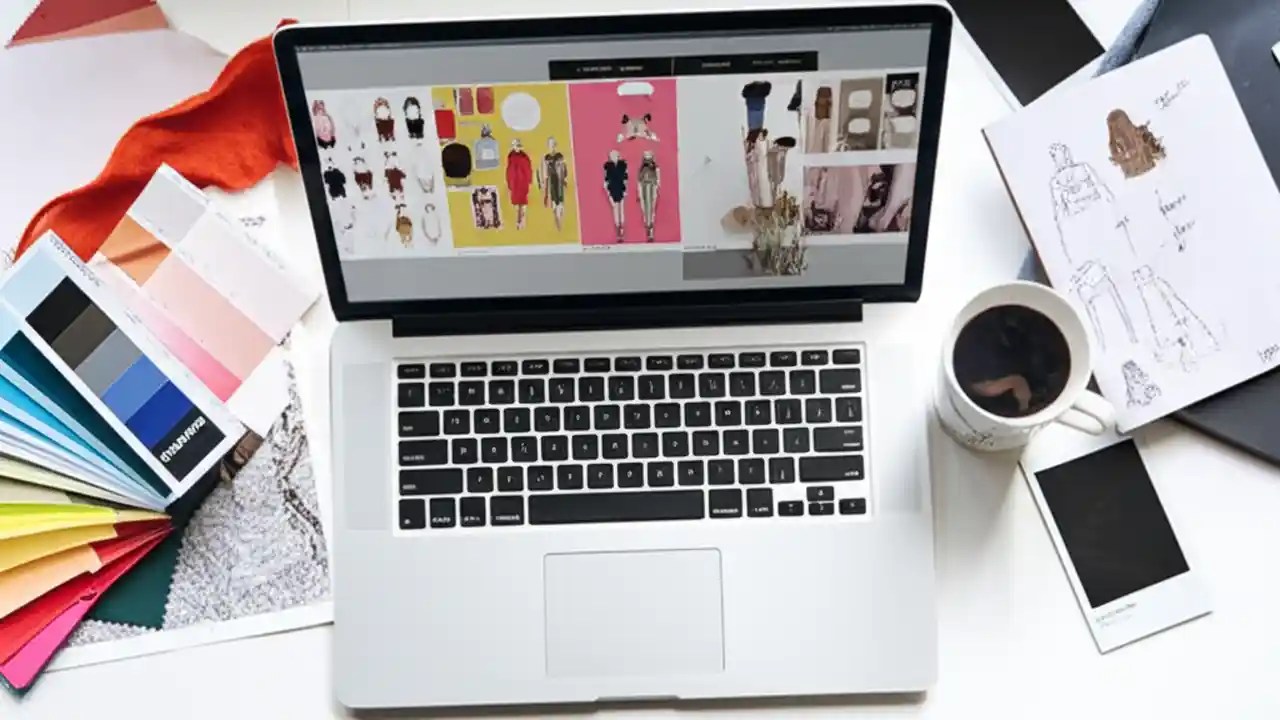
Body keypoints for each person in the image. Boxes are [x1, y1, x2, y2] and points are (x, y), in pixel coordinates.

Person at [538, 137, 570, 230]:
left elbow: (564, 169)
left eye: (553, 144)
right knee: (555, 205)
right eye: (550, 144)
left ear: (555, 145)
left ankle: (560, 221)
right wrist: (543, 185)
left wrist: (564, 179)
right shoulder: (546, 158)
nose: (552, 146)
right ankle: (558, 224)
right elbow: (544, 173)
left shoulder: (560, 156)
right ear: (548, 146)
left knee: (561, 205)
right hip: (551, 183)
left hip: (559, 182)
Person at [506, 138, 533, 229]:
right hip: (514, 182)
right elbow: (509, 169)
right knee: (516, 204)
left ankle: (522, 221)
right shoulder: (510, 156)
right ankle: (518, 221)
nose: (516, 147)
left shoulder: (524, 157)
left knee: (523, 203)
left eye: (518, 145)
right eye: (515, 146)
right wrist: (509, 181)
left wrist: (529, 180)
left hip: (523, 182)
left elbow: (528, 169)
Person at [603, 149, 628, 242]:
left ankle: (622, 228)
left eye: (615, 155)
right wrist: (608, 193)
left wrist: (625, 189)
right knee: (615, 208)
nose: (613, 156)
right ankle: (618, 229)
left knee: (621, 208)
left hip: (621, 187)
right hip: (612, 188)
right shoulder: (607, 166)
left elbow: (626, 177)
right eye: (612, 155)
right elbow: (605, 179)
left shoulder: (623, 165)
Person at [636, 150, 660, 242]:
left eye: (649, 155)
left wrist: (656, 189)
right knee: (645, 209)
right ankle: (648, 227)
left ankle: (651, 229)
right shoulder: (642, 168)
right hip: (644, 188)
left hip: (652, 187)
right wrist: (639, 192)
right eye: (646, 155)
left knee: (651, 209)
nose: (647, 157)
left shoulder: (655, 167)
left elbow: (658, 180)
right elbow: (639, 181)